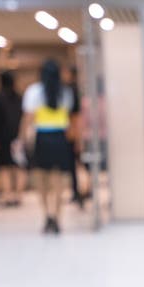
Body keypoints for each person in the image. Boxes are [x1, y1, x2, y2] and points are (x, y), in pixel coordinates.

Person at [22, 59, 74, 234]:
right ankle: (57, 216)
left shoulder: (34, 92)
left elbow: (28, 119)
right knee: (58, 180)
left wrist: (22, 139)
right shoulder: (65, 93)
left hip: (42, 138)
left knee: (41, 180)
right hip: (60, 138)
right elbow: (69, 119)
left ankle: (47, 216)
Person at [0, 71, 25, 206]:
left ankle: (8, 194)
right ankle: (18, 195)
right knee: (19, 165)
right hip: (18, 136)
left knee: (4, 166)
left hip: (2, 136)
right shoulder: (20, 97)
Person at [63, 64, 85, 207]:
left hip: (74, 133)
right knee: (76, 166)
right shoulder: (72, 90)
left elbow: (76, 117)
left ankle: (81, 191)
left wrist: (77, 137)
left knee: (78, 165)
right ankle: (78, 191)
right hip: (76, 133)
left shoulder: (71, 91)